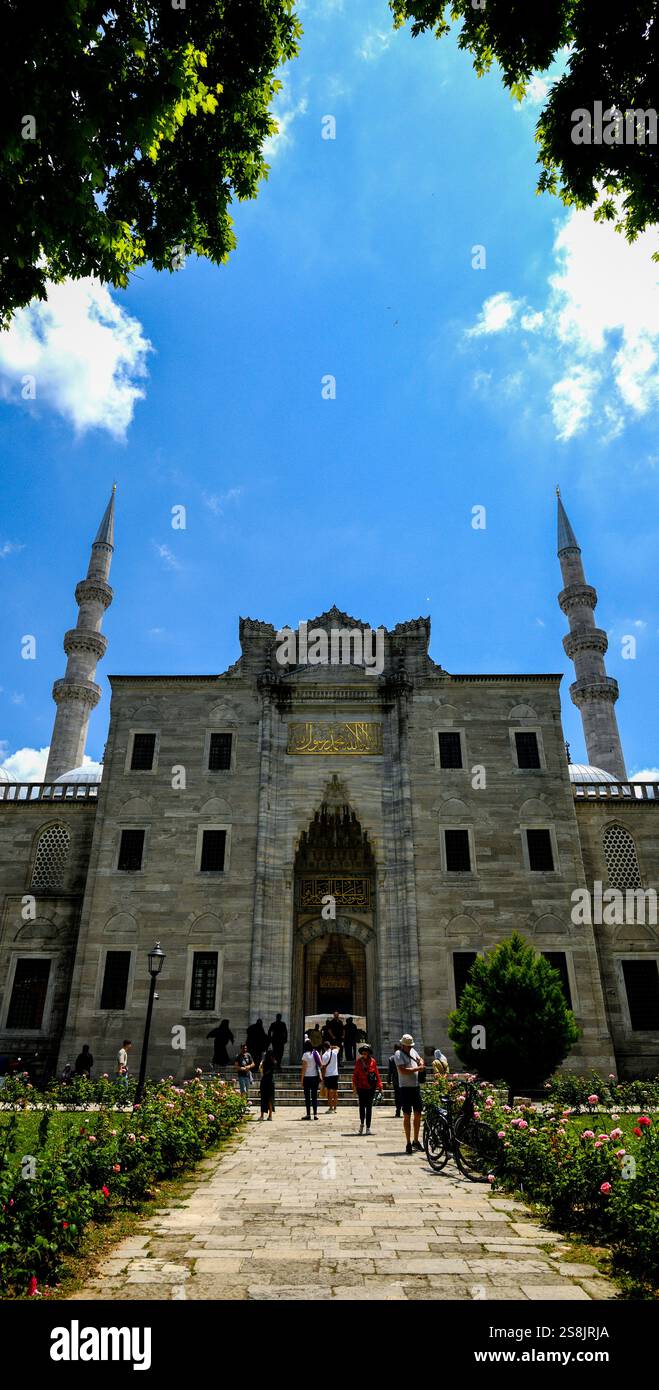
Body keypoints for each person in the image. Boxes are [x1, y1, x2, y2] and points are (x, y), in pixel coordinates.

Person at [394, 1033, 425, 1154]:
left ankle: (416, 1140)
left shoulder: (413, 1051)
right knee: (407, 1115)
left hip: (415, 1087)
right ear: (402, 1045)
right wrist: (418, 1069)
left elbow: (419, 1058)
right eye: (407, 1046)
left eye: (410, 1045)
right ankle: (408, 1142)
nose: (410, 1047)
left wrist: (421, 1061)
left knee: (418, 1113)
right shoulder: (398, 1054)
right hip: (405, 1088)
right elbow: (402, 1070)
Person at [352, 1043, 382, 1135]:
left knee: (369, 1107)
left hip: (370, 1087)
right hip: (361, 1087)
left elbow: (376, 1074)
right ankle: (362, 1124)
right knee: (361, 1107)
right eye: (363, 1052)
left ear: (369, 1053)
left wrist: (380, 1086)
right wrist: (354, 1087)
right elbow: (355, 1075)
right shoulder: (358, 1062)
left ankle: (368, 1127)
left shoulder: (373, 1061)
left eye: (366, 1052)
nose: (364, 1054)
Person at [300, 1040, 323, 1120]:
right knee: (314, 1097)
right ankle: (315, 1114)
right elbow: (321, 1064)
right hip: (315, 1077)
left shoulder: (305, 1055)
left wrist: (302, 1080)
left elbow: (304, 1069)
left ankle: (308, 1114)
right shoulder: (316, 1053)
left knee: (307, 1097)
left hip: (307, 1077)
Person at [321, 1040, 340, 1114]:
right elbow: (338, 1047)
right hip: (335, 1074)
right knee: (335, 1092)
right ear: (329, 1046)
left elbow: (323, 1067)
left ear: (324, 1047)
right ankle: (335, 1107)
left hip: (328, 1075)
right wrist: (332, 1047)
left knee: (329, 1092)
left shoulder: (324, 1055)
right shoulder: (334, 1052)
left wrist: (322, 1077)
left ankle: (331, 1107)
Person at [259, 1045, 276, 1121]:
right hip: (271, 1081)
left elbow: (261, 1071)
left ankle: (262, 1116)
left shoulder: (264, 1062)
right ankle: (270, 1116)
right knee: (270, 1099)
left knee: (263, 1098)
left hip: (264, 1081)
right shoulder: (274, 1062)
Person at [387, 1050, 402, 1117]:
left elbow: (390, 1071)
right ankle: (405, 1110)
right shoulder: (403, 1057)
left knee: (397, 1096)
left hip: (396, 1080)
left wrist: (389, 1079)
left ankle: (398, 1111)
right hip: (404, 1080)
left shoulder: (391, 1058)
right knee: (404, 1095)